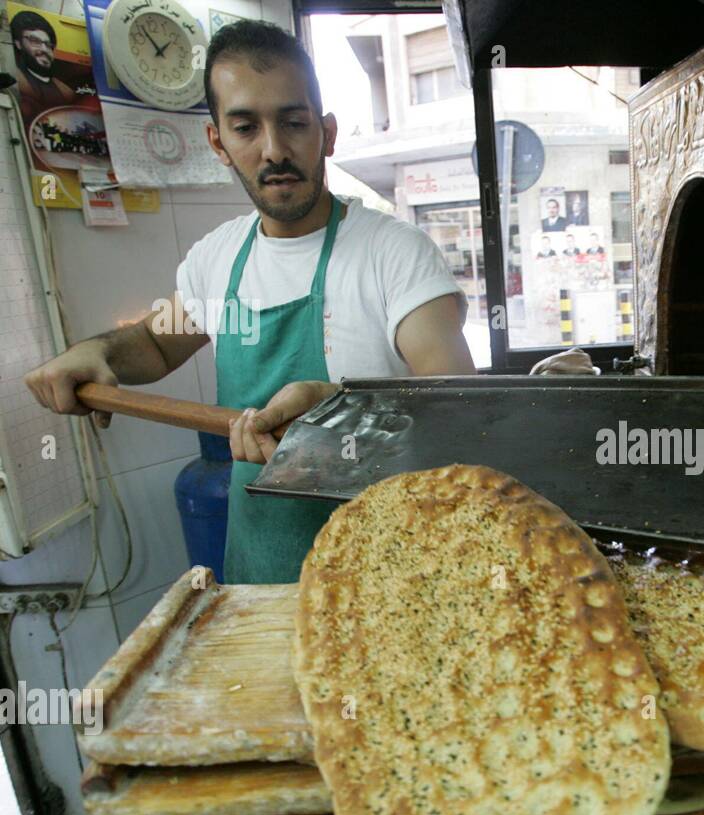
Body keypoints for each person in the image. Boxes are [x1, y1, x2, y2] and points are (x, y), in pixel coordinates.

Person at [24, 21, 474, 584]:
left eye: (294, 122)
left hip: (382, 576)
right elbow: (155, 342)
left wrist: (343, 407)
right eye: (246, 127)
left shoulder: (394, 254)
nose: (274, 150)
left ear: (326, 133)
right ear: (218, 143)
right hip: (258, 570)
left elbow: (460, 406)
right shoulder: (217, 258)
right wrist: (97, 353)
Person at [10, 11, 75, 121]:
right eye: (35, 41)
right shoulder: (12, 80)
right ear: (18, 44)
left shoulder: (67, 93)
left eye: (48, 45)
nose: (44, 50)